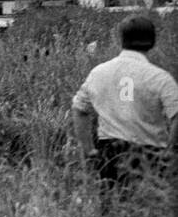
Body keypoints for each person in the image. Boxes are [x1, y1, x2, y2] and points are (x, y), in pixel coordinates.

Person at [71, 15, 178, 199]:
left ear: (122, 40)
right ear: (151, 42)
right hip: (150, 154)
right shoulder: (160, 78)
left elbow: (79, 109)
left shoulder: (98, 72)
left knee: (111, 209)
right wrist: (169, 149)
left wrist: (88, 148)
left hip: (110, 153)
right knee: (147, 211)